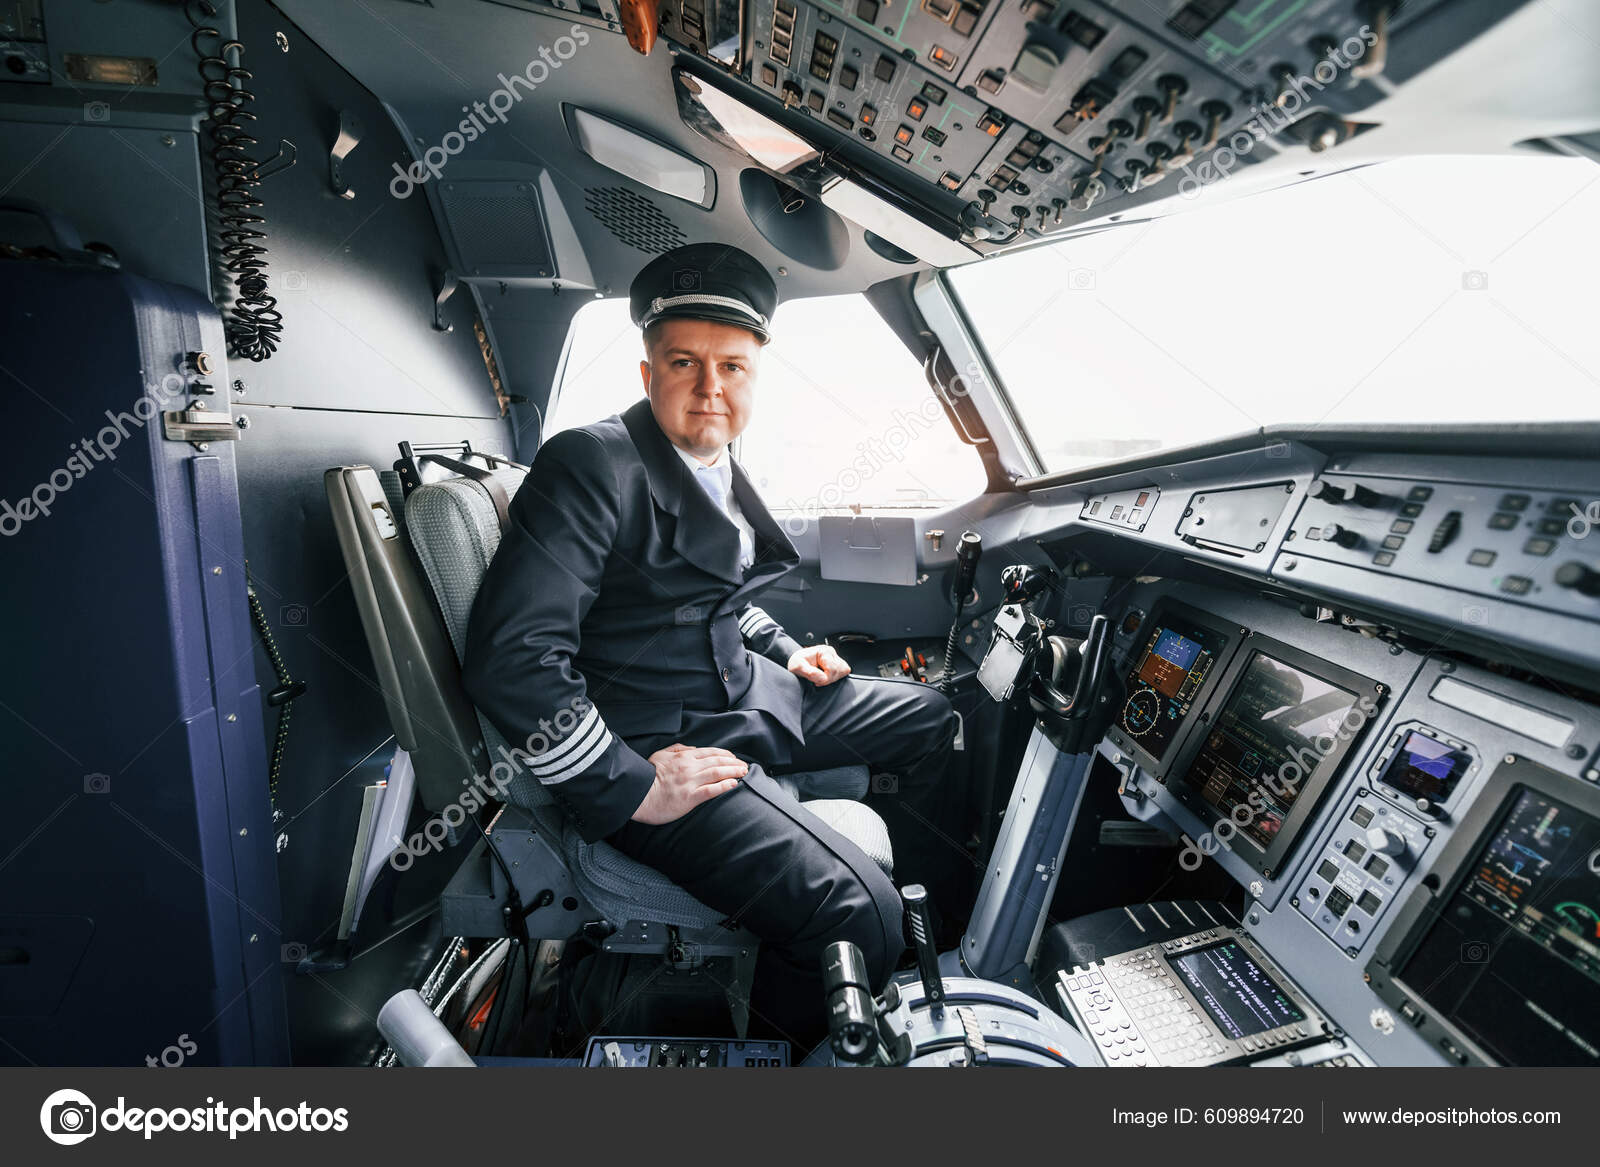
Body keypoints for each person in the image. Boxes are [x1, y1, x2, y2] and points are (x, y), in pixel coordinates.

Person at [461, 242, 959, 1049]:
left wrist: (790, 649)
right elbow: (513, 659)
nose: (710, 389)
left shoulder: (713, 458)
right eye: (685, 362)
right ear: (648, 370)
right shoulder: (591, 463)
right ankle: (798, 1055)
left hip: (747, 687)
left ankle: (942, 952)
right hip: (656, 740)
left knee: (934, 717)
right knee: (856, 914)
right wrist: (628, 784)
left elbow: (712, 596)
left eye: (733, 367)